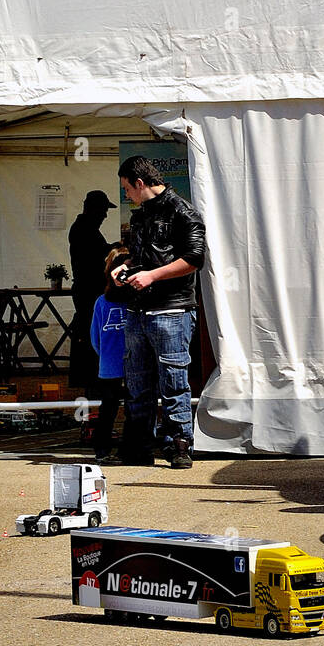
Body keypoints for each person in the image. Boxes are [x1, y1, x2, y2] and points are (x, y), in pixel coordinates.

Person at [109, 156, 206, 468]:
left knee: (173, 379)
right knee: (137, 381)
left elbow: (194, 258)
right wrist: (126, 265)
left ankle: (179, 446)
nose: (126, 195)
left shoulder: (182, 210)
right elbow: (142, 256)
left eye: (127, 189)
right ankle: (139, 447)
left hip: (172, 309)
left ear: (140, 183)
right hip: (140, 309)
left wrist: (151, 275)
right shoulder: (140, 216)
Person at [68, 190, 116, 394]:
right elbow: (95, 259)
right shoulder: (84, 229)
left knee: (91, 333)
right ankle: (91, 382)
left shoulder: (86, 228)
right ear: (94, 209)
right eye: (104, 210)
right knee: (90, 335)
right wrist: (113, 250)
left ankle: (93, 380)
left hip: (88, 291)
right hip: (88, 292)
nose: (105, 215)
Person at [89, 248, 131, 464]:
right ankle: (126, 448)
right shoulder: (131, 301)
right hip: (126, 364)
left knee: (108, 410)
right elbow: (95, 338)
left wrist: (105, 356)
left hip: (109, 365)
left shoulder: (101, 302)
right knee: (131, 408)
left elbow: (95, 339)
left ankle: (102, 450)